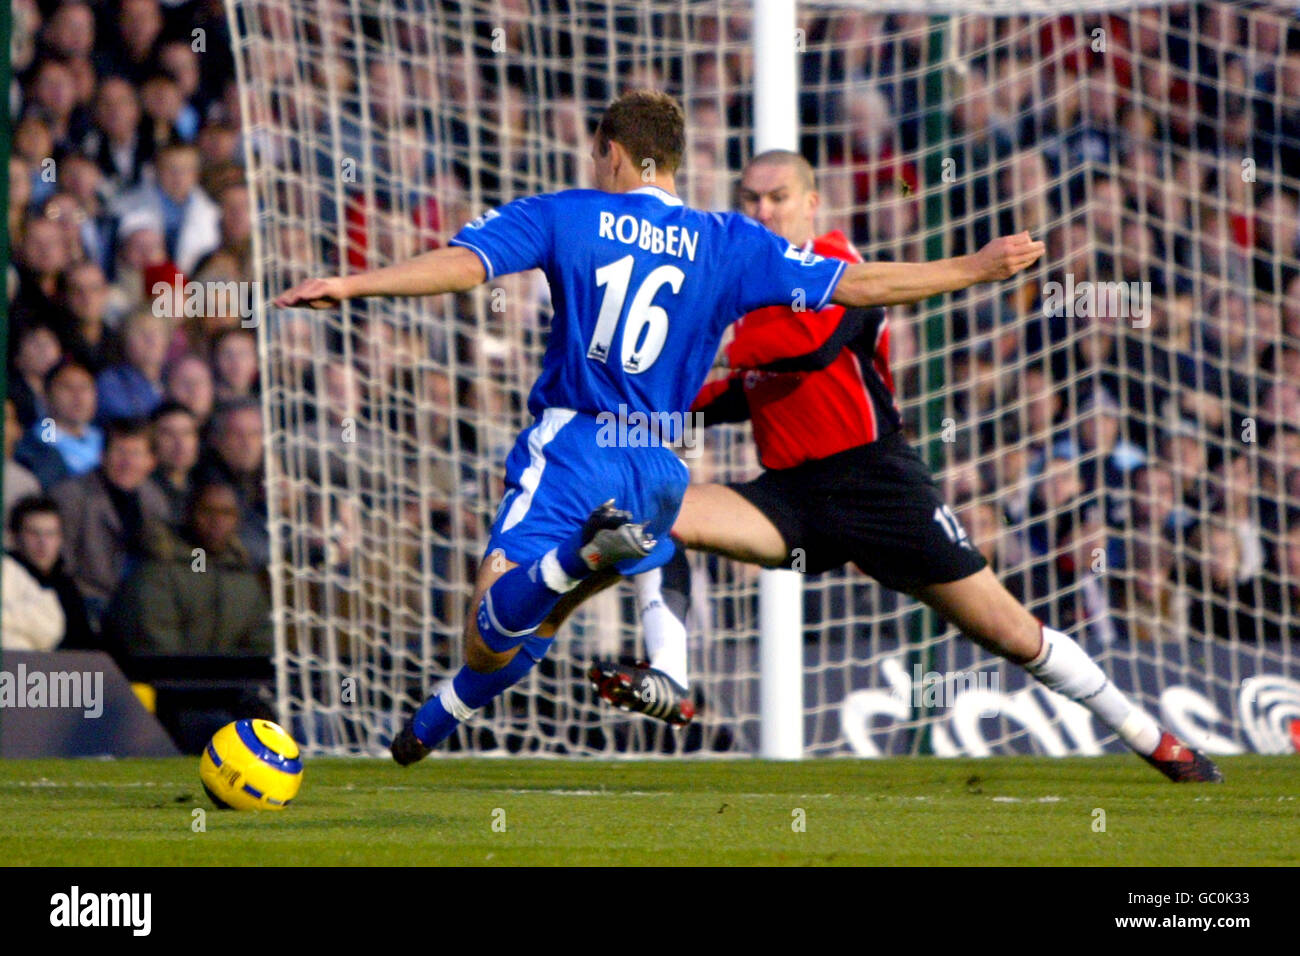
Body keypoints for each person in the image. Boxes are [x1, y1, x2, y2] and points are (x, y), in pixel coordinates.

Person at [276, 90, 1044, 765]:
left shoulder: (567, 213)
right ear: (672, 161)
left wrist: (353, 283)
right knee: (547, 618)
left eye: (598, 154)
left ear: (612, 152)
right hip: (658, 469)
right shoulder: (729, 240)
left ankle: (575, 561)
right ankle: (428, 729)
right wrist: (971, 268)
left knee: (489, 630)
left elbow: (464, 264)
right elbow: (855, 284)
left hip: (576, 445)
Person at [581, 150, 1219, 783]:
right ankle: (670, 677)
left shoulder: (839, 264)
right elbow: (730, 396)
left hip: (879, 485)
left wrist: (701, 346)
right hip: (791, 498)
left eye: (777, 198)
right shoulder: (744, 293)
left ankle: (1153, 739)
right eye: (750, 199)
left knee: (1012, 633)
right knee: (655, 512)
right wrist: (633, 402)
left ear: (812, 203)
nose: (762, 211)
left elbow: (810, 349)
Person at [4, 494, 93, 650]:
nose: (43, 542)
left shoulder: (67, 588)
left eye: (50, 534)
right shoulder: (7, 576)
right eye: (33, 533)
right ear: (15, 536)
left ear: (60, 539)